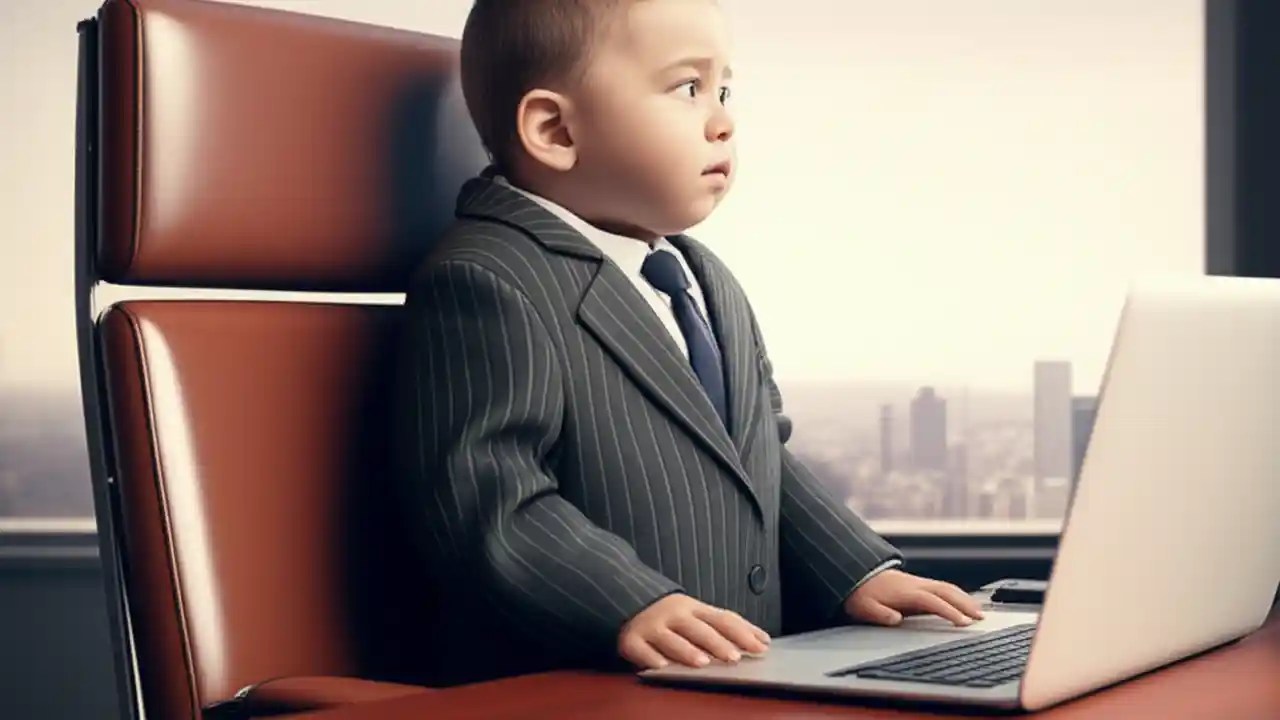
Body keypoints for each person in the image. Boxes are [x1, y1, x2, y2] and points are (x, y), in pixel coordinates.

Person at [394, 0, 983, 685]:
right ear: (555, 129)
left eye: (725, 90)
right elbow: (484, 498)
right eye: (687, 88)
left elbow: (761, 459)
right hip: (580, 683)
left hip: (738, 672)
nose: (724, 120)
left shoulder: (701, 277)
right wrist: (630, 602)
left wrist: (856, 569)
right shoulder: (490, 279)